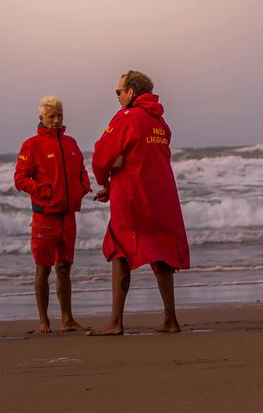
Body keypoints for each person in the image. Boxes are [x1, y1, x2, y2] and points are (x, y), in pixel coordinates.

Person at [90, 70, 190, 335]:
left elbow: (102, 155)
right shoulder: (160, 122)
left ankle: (115, 322)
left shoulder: (126, 118)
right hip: (162, 196)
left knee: (119, 248)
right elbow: (145, 158)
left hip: (133, 197)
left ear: (131, 92)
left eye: (119, 92)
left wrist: (104, 180)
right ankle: (171, 319)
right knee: (162, 252)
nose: (118, 98)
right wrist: (112, 185)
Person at [13, 95, 91, 333]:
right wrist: (43, 191)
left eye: (60, 116)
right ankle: (43, 320)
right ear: (41, 118)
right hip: (45, 216)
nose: (56, 121)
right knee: (43, 268)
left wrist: (83, 187)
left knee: (64, 267)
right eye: (52, 117)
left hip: (68, 216)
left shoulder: (71, 143)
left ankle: (67, 319)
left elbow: (82, 171)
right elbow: (20, 179)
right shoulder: (32, 145)